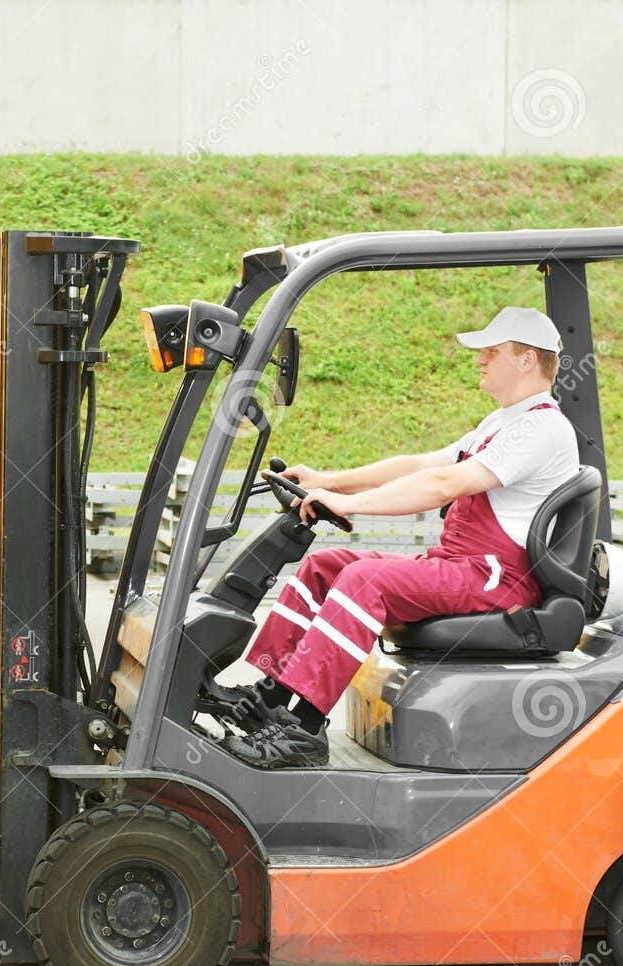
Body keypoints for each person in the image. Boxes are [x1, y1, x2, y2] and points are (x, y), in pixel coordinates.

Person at [225, 306, 581, 769]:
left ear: (527, 360)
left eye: (491, 351)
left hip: (497, 580)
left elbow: (443, 485)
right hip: (463, 565)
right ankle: (270, 697)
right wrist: (330, 481)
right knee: (326, 566)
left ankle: (304, 730)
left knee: (364, 581)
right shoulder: (503, 423)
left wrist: (348, 504)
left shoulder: (541, 428)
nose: (480, 360)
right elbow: (421, 465)